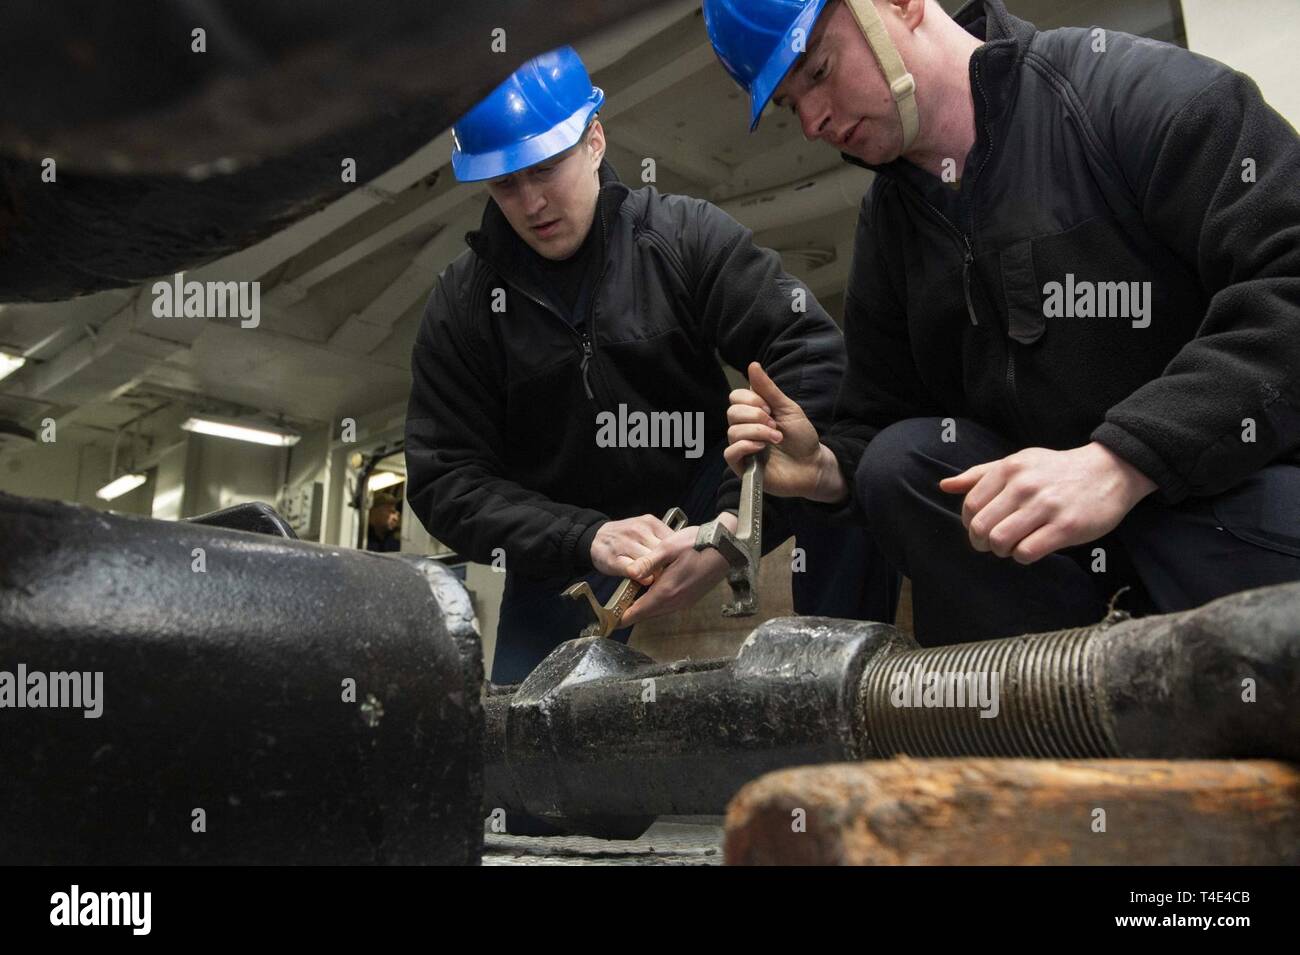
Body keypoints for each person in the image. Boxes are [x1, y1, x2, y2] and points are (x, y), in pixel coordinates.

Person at [704, 0, 1300, 644]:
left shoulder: (1137, 97)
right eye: (792, 105)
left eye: (818, 71)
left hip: (1215, 512)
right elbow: (881, 414)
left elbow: (1287, 284)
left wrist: (1121, 462)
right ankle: (1050, 710)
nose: (814, 122)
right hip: (1059, 566)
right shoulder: (893, 224)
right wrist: (824, 468)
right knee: (899, 463)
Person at [405, 46, 899, 684]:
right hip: (563, 558)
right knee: (518, 745)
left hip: (701, 493)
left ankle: (836, 690)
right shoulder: (462, 307)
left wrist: (729, 525)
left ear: (594, 141)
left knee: (845, 479)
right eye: (506, 183)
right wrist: (584, 538)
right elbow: (446, 480)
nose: (531, 205)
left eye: (547, 168)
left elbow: (811, 357)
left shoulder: (685, 236)